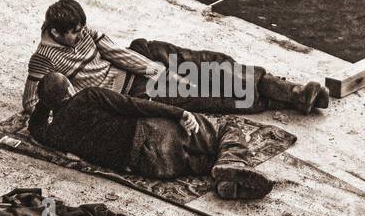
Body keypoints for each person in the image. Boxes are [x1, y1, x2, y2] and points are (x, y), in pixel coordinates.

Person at [22, 0, 329, 116]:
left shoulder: (85, 29)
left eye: (81, 28)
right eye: (74, 32)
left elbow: (118, 53)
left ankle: (288, 89)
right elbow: (31, 103)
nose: (80, 35)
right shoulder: (43, 60)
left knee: (202, 63)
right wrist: (70, 99)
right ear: (57, 32)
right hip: (122, 93)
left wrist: (156, 69)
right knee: (201, 94)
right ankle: (279, 99)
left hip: (136, 63)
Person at [29, 72, 274, 201]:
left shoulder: (54, 133)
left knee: (203, 162)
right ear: (71, 88)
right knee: (225, 128)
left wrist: (45, 102)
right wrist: (179, 113)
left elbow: (34, 126)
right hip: (155, 133)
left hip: (150, 166)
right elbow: (133, 105)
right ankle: (233, 163)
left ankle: (226, 183)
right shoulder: (88, 96)